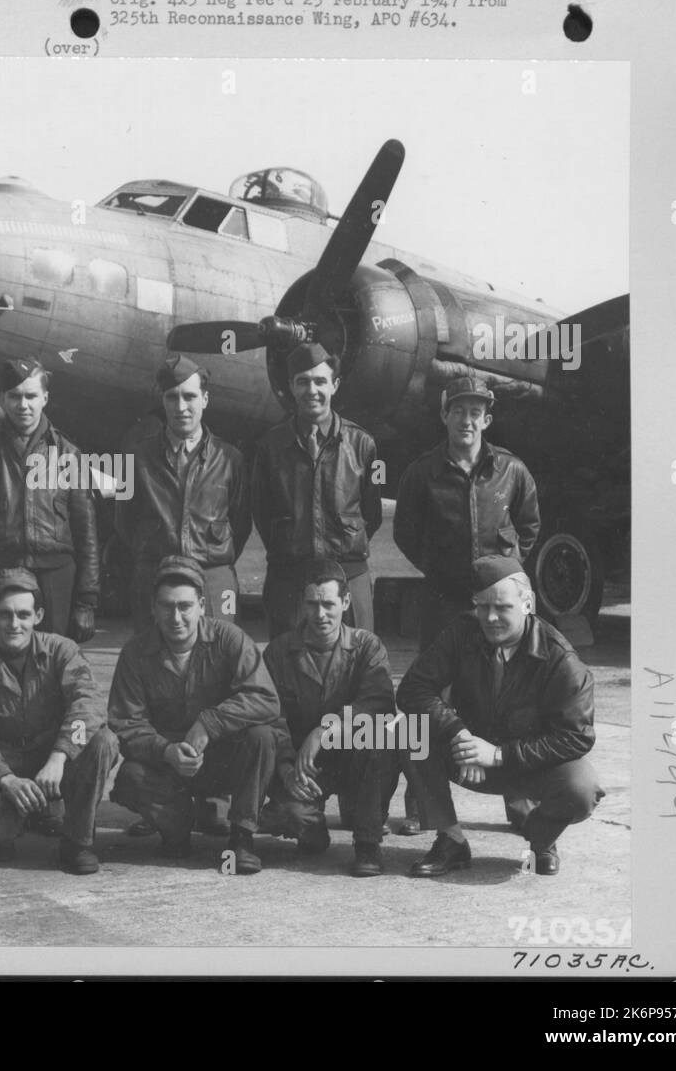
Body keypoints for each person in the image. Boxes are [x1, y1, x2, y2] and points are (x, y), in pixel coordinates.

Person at [393, 375, 542, 833]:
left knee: (511, 691)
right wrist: (442, 572)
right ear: (445, 415)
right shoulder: (422, 472)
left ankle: (517, 797)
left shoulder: (512, 470)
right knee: (429, 695)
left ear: (487, 418)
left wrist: (503, 580)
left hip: (497, 607)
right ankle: (421, 799)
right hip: (444, 601)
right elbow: (405, 534)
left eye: (476, 411)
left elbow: (531, 526)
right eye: (459, 409)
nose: (467, 419)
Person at [396, 556, 604, 877]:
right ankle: (450, 838)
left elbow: (576, 736)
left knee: (582, 788)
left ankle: (540, 838)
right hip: (467, 755)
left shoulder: (561, 660)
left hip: (527, 766)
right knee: (408, 729)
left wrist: (498, 754)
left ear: (527, 604)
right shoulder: (462, 632)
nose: (490, 617)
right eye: (482, 606)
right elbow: (412, 689)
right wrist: (457, 732)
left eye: (503, 607)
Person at [108, 557, 284, 875]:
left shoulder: (230, 639)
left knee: (262, 737)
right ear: (153, 608)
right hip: (170, 763)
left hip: (222, 759)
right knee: (130, 777)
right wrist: (165, 750)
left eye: (185, 606)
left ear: (202, 605)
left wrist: (210, 723)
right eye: (166, 606)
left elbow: (265, 699)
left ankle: (241, 839)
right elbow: (125, 722)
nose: (176, 617)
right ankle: (176, 827)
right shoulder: (135, 653)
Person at [0, 568, 119, 874]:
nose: (14, 624)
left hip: (51, 756)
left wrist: (60, 755)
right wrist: (5, 778)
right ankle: (7, 823)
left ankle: (77, 841)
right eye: (5, 615)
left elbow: (88, 704)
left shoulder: (62, 650)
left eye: (23, 615)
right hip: (4, 759)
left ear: (38, 615)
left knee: (103, 741)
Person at [259, 559, 395, 877]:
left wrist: (325, 729)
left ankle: (367, 844)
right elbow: (268, 715)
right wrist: (286, 767)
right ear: (302, 604)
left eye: (329, 604)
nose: (320, 615)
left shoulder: (366, 646)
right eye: (312, 604)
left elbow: (379, 704)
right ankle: (312, 830)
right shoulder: (278, 653)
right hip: (302, 767)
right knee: (290, 815)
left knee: (386, 736)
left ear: (346, 602)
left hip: (353, 758)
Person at [0, 357, 99, 646]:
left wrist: (86, 603)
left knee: (54, 668)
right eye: (15, 396)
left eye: (31, 396)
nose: (23, 405)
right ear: (3, 398)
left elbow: (87, 534)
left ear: (45, 398)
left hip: (56, 578)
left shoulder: (68, 454)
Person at [251, 342, 382, 638]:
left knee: (357, 665)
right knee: (288, 671)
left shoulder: (364, 444)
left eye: (320, 381)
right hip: (289, 578)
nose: (312, 390)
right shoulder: (270, 447)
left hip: (349, 576)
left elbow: (371, 513)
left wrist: (346, 548)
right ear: (291, 387)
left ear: (334, 385)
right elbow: (261, 511)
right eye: (303, 382)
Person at [115, 354, 250, 629]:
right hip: (156, 577)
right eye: (172, 397)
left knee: (218, 657)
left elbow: (241, 522)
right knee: (154, 660)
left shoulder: (230, 459)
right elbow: (124, 522)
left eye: (189, 396)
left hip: (213, 578)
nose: (181, 407)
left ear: (205, 399)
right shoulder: (136, 458)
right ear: (162, 401)